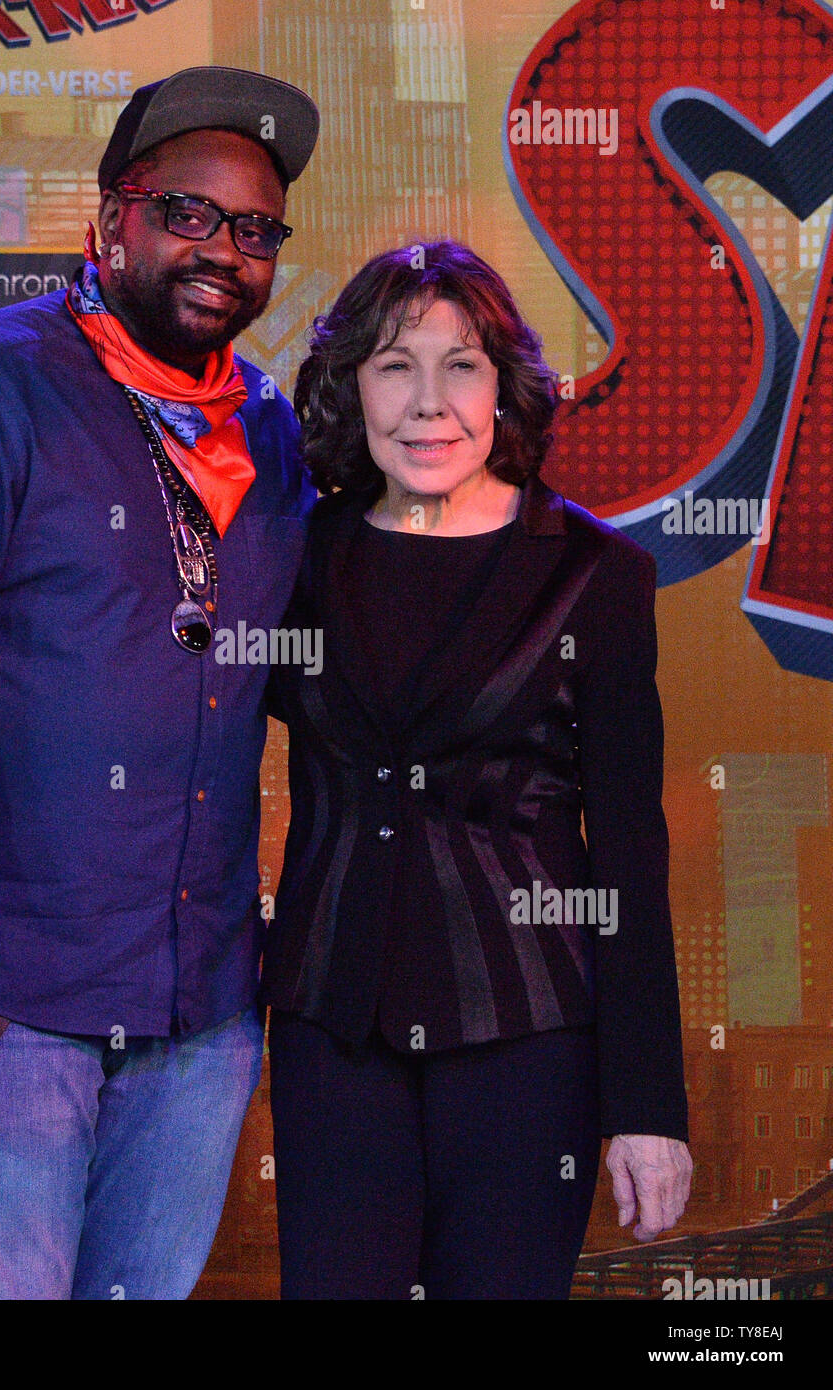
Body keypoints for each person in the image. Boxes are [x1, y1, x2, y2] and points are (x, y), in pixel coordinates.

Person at [0, 66, 319, 1300]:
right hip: (5, 1010)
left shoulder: (266, 423)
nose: (224, 250)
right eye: (189, 212)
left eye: (256, 230)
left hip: (200, 1014)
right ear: (113, 220)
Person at [262, 240, 694, 1300]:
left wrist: (647, 1104)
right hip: (332, 1033)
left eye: (461, 365)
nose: (427, 402)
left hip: (527, 1044)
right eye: (393, 365)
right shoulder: (293, 559)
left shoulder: (597, 578)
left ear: (506, 388)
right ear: (351, 385)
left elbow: (631, 852)